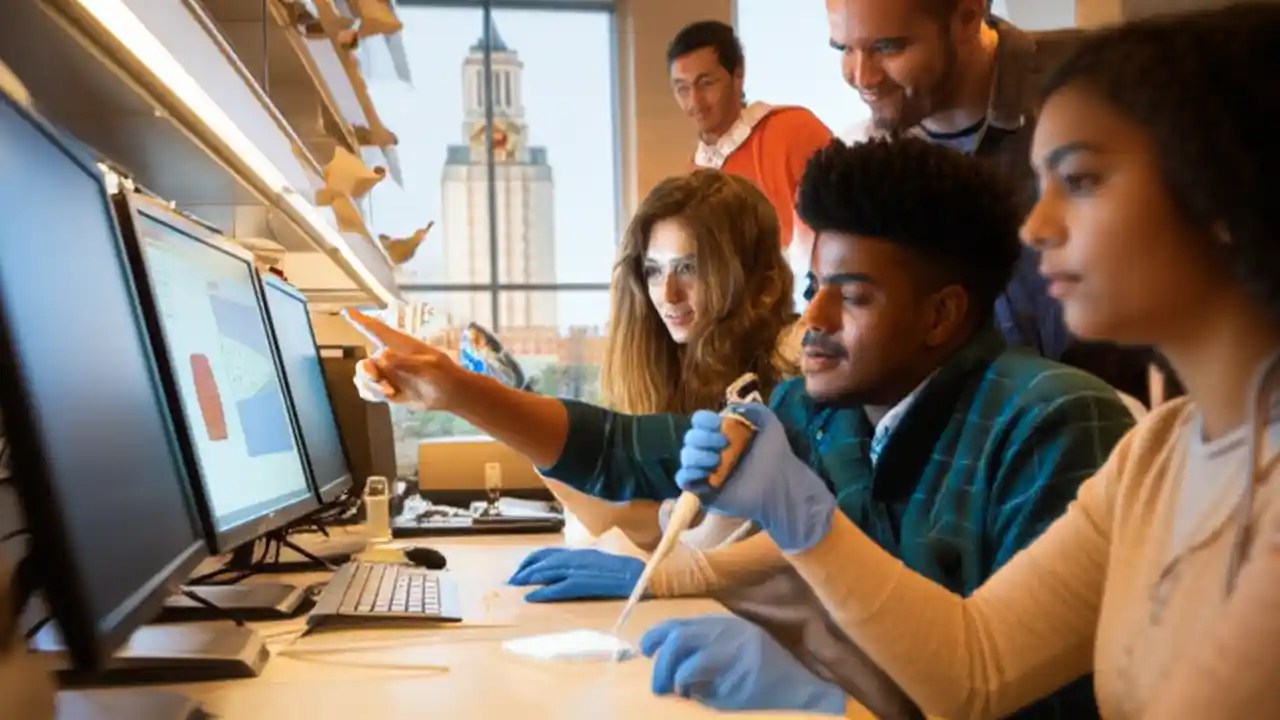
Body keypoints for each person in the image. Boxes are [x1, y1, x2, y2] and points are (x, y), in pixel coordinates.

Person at [345, 136, 1133, 717]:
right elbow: (620, 450)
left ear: (942, 314)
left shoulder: (1053, 424)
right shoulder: (816, 410)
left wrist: (828, 696)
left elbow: (1018, 698)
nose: (812, 318)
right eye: (816, 284)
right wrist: (452, 389)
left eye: (850, 297)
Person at [650, 6, 1280, 718]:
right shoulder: (1159, 456)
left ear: (1225, 195)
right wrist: (803, 527)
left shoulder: (1070, 419)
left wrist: (825, 697)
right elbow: (978, 665)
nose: (1037, 229)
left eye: (1080, 182)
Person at [829, 0, 1160, 405]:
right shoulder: (869, 147)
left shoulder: (1096, 83)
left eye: (888, 48)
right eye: (843, 48)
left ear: (969, 16)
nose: (862, 77)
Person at [537, 169, 801, 559]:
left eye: (690, 268)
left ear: (762, 284)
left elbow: (718, 538)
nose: (668, 294)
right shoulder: (672, 368)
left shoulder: (790, 367)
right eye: (654, 270)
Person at [668, 20, 832, 270]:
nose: (694, 101)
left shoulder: (793, 130)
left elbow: (848, 223)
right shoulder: (693, 177)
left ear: (738, 75)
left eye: (706, 83)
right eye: (682, 88)